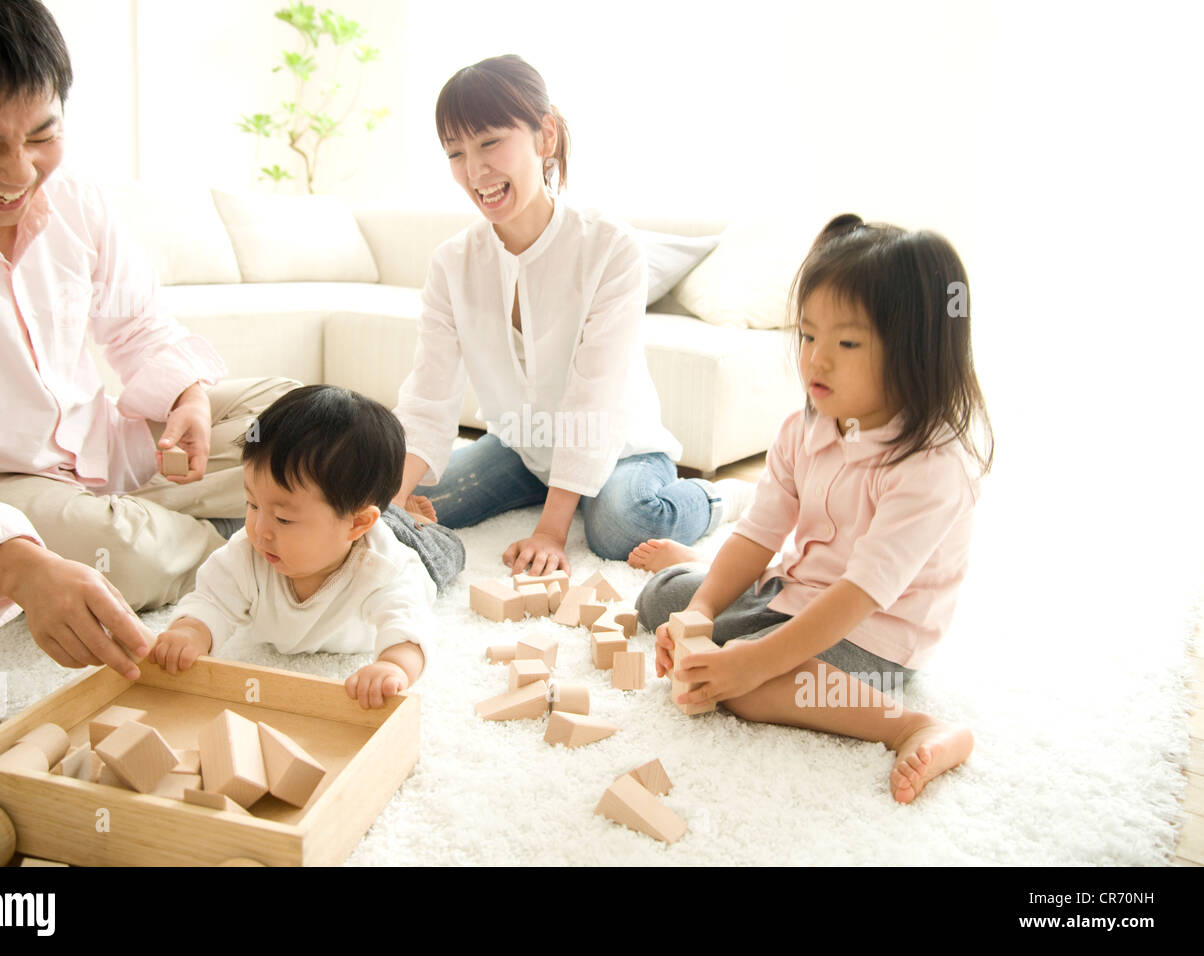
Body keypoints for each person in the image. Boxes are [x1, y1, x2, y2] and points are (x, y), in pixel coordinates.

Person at [0, 0, 298, 680]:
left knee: (295, 412)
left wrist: (187, 397)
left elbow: (137, 325)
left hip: (100, 440)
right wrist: (25, 572)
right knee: (127, 549)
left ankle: (271, 512)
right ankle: (284, 541)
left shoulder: (76, 200)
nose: (20, 173)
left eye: (42, 135)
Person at [634, 214, 994, 803]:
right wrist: (699, 611)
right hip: (794, 592)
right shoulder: (804, 427)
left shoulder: (932, 467)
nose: (815, 360)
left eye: (846, 343)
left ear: (917, 350)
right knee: (661, 602)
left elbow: (857, 595)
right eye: (806, 336)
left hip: (873, 634)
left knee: (746, 688)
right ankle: (701, 579)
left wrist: (751, 665)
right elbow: (759, 532)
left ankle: (913, 727)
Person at [392, 54, 752, 577]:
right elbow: (428, 396)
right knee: (414, 505)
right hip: (522, 447)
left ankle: (720, 499)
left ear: (546, 136)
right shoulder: (453, 263)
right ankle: (547, 491)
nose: (474, 171)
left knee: (620, 528)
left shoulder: (610, 247)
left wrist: (550, 531)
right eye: (456, 152)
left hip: (618, 446)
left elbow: (596, 396)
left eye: (490, 142)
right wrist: (391, 504)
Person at [151, 386, 462, 709]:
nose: (259, 529)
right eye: (252, 504)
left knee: (443, 551)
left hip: (403, 542)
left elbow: (409, 624)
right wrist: (190, 632)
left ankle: (412, 520)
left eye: (283, 519)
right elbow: (211, 600)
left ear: (357, 524)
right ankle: (398, 513)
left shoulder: (387, 567)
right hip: (351, 524)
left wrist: (393, 666)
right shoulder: (248, 550)